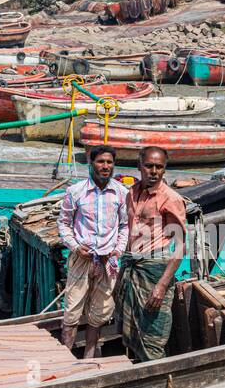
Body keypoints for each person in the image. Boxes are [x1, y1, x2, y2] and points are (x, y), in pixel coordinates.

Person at [56, 145, 128, 359]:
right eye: (101, 162)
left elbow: (124, 226)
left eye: (109, 162)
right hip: (81, 258)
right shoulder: (75, 191)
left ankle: (88, 358)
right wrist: (76, 247)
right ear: (91, 163)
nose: (105, 166)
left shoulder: (121, 192)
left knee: (99, 313)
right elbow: (64, 224)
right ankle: (64, 358)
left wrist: (118, 250)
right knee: (72, 311)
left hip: (108, 261)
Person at [117, 146, 187, 361]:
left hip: (155, 270)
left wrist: (162, 285)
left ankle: (158, 378)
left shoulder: (170, 198)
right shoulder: (131, 193)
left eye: (159, 167)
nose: (154, 171)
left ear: (164, 170)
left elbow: (181, 245)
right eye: (149, 166)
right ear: (140, 166)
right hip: (132, 267)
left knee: (154, 333)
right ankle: (140, 370)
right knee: (131, 330)